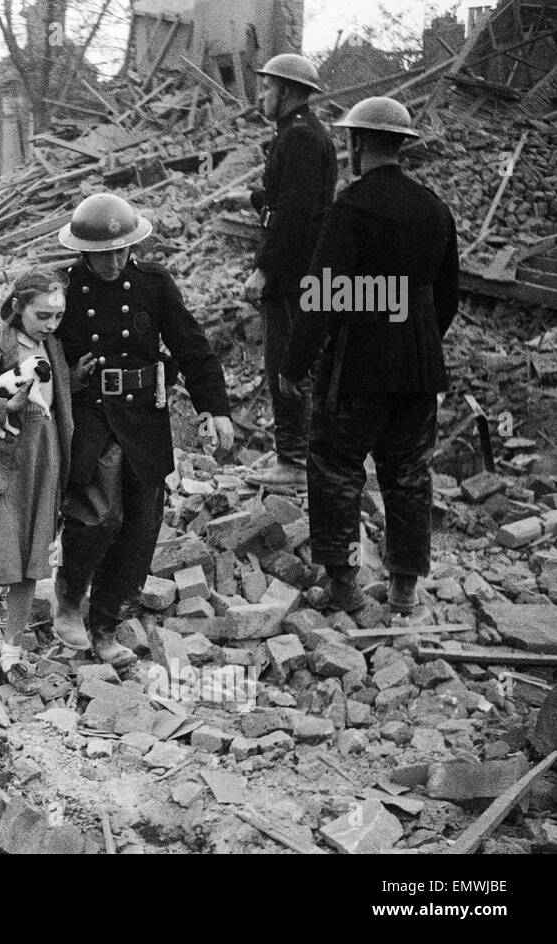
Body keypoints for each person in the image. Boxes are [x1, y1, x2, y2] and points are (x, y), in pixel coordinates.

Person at [279, 96, 458, 615]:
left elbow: (323, 293)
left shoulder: (351, 207)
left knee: (336, 472)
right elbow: (445, 298)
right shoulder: (434, 208)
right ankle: (404, 587)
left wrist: (294, 363)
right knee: (408, 477)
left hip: (355, 370)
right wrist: (417, 338)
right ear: (401, 145)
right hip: (419, 371)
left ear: (357, 145)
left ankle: (345, 585)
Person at [55, 193, 235, 666]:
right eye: (102, 254)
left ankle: (107, 621)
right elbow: (26, 345)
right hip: (92, 414)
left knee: (141, 526)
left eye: (122, 251)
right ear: (81, 251)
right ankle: (69, 599)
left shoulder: (153, 285)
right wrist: (62, 380)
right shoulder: (62, 290)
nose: (113, 262)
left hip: (144, 415)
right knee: (95, 517)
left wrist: (214, 408)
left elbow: (192, 346)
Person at [0, 270, 84, 662]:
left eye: (57, 316)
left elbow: (55, 396)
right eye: (42, 316)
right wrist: (3, 407)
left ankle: (11, 653)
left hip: (44, 458)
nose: (51, 325)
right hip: (0, 459)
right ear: (18, 307)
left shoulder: (54, 346)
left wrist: (78, 380)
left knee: (31, 559)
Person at [243, 53, 338, 489]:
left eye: (268, 87)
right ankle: (301, 453)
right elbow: (295, 203)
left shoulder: (298, 138)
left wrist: (264, 268)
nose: (262, 95)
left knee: (285, 359)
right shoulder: (300, 134)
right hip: (304, 268)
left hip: (292, 273)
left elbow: (297, 213)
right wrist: (264, 199)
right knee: (293, 356)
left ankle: (294, 460)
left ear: (288, 91)